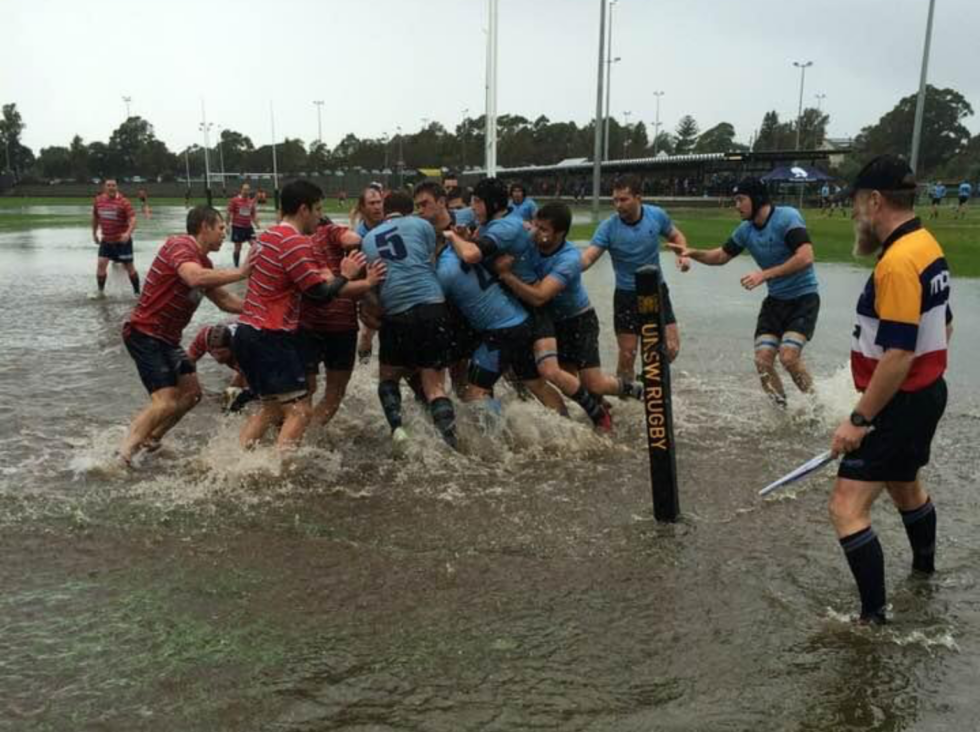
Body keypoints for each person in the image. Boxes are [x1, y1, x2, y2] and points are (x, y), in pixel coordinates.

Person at [828, 155, 952, 625]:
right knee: (905, 486)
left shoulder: (899, 261)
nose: (856, 213)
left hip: (899, 403)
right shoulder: (926, 244)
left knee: (846, 507)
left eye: (858, 204)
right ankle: (924, 576)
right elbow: (945, 324)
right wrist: (926, 376)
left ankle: (872, 621)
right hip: (923, 395)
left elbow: (897, 355)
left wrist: (859, 419)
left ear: (876, 200)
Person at [232, 180, 383, 453]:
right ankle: (279, 473)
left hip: (246, 332)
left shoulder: (266, 236)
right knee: (300, 411)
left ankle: (236, 461)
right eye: (317, 209)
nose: (319, 216)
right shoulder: (294, 242)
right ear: (303, 209)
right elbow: (320, 294)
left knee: (270, 409)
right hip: (271, 335)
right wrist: (346, 274)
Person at [668, 178, 820, 407]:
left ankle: (816, 407)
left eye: (741, 200)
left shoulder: (786, 218)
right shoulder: (746, 230)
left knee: (788, 356)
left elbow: (806, 257)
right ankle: (782, 411)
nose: (736, 205)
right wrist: (692, 253)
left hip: (803, 298)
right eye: (735, 200)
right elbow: (720, 257)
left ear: (757, 199)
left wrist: (764, 275)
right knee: (762, 361)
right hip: (775, 302)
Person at [119, 206, 250, 463]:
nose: (225, 233)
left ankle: (151, 440)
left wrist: (262, 308)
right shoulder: (179, 245)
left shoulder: (205, 263)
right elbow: (193, 277)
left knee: (192, 395)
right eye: (221, 227)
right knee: (165, 402)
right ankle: (121, 455)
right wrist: (242, 272)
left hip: (168, 340)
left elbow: (225, 301)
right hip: (145, 333)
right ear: (204, 227)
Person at [495, 202, 643, 419]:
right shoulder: (531, 238)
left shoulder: (569, 258)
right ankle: (598, 409)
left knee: (594, 383)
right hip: (552, 324)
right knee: (567, 382)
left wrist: (507, 276)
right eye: (536, 226)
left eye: (544, 229)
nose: (536, 233)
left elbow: (540, 296)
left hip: (579, 321)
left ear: (560, 233)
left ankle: (632, 389)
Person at [360, 190, 459, 452]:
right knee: (435, 385)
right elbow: (429, 260)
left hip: (395, 313)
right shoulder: (422, 225)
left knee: (388, 378)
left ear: (386, 211)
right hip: (432, 307)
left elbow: (377, 281)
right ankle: (450, 443)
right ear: (408, 211)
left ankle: (397, 429)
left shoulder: (368, 239)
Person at [580, 175, 690, 381]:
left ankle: (647, 381)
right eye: (615, 200)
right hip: (626, 295)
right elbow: (587, 258)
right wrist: (563, 269)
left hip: (655, 290)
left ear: (638, 198)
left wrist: (682, 254)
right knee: (627, 354)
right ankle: (626, 398)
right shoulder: (608, 227)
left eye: (623, 199)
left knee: (671, 348)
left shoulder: (656, 215)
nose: (618, 205)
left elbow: (676, 236)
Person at [299, 217, 365, 427]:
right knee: (334, 393)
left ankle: (295, 435)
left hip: (307, 323)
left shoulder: (295, 241)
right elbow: (353, 238)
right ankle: (310, 436)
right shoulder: (328, 230)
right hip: (341, 323)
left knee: (304, 393)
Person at [352, 184, 387, 362]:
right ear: (363, 208)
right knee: (368, 331)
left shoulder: (390, 223)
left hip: (392, 283)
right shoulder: (359, 235)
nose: (377, 207)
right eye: (372, 203)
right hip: (372, 285)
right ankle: (364, 351)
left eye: (379, 202)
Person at [187, 323, 256, 413]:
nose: (217, 358)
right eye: (213, 352)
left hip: (260, 353)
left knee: (252, 396)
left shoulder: (244, 347)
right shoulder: (204, 337)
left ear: (231, 347)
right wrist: (194, 388)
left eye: (221, 353)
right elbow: (189, 361)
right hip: (242, 356)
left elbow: (245, 378)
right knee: (227, 405)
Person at [92, 179, 141, 297]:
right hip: (106, 241)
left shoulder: (124, 202)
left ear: (117, 187)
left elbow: (133, 220)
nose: (111, 188)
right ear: (104, 188)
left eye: (113, 185)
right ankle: (100, 292)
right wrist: (94, 233)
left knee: (129, 267)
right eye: (108, 185)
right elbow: (95, 218)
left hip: (122, 241)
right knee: (101, 264)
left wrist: (128, 233)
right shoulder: (98, 201)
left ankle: (137, 293)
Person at [227, 182, 261, 267]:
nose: (246, 191)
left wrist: (257, 224)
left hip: (248, 228)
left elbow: (253, 214)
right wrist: (227, 225)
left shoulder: (250, 202)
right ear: (241, 190)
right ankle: (236, 266)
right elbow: (229, 212)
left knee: (255, 245)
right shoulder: (234, 200)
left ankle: (253, 264)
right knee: (238, 248)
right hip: (237, 227)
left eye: (248, 190)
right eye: (244, 189)